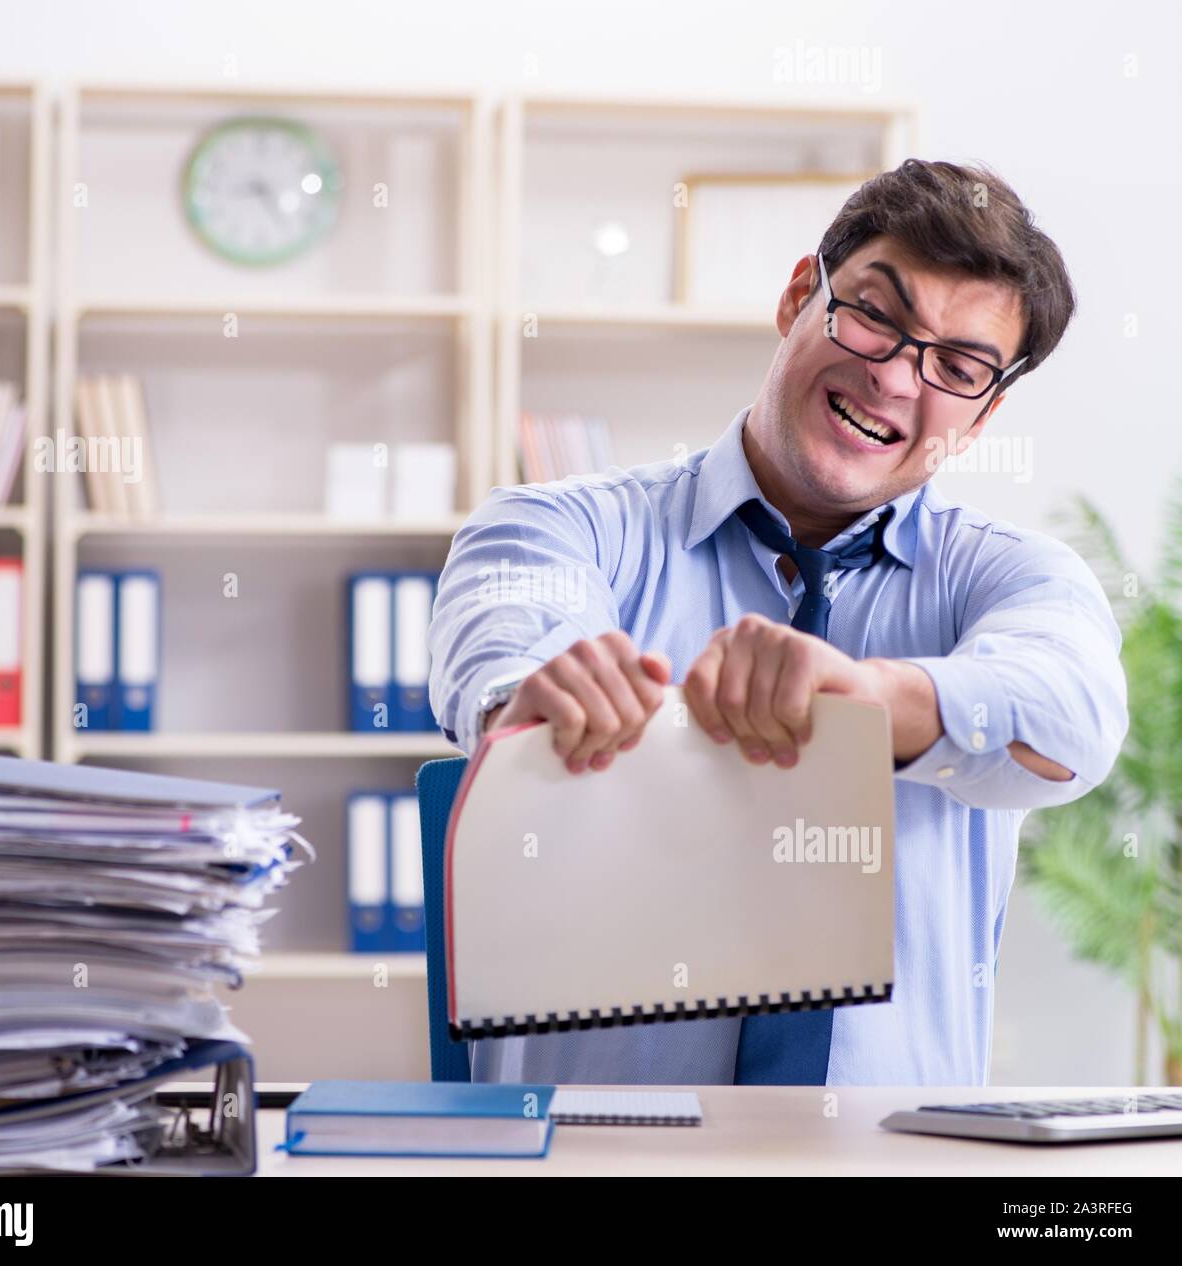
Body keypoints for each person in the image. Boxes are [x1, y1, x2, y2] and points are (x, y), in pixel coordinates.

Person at [426, 158, 1128, 1086]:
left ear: (984, 413)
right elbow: (507, 637)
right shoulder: (562, 525)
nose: (895, 380)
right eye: (876, 315)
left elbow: (1071, 713)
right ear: (802, 294)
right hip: (598, 1157)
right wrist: (541, 693)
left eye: (957, 367)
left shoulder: (1008, 576)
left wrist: (872, 700)